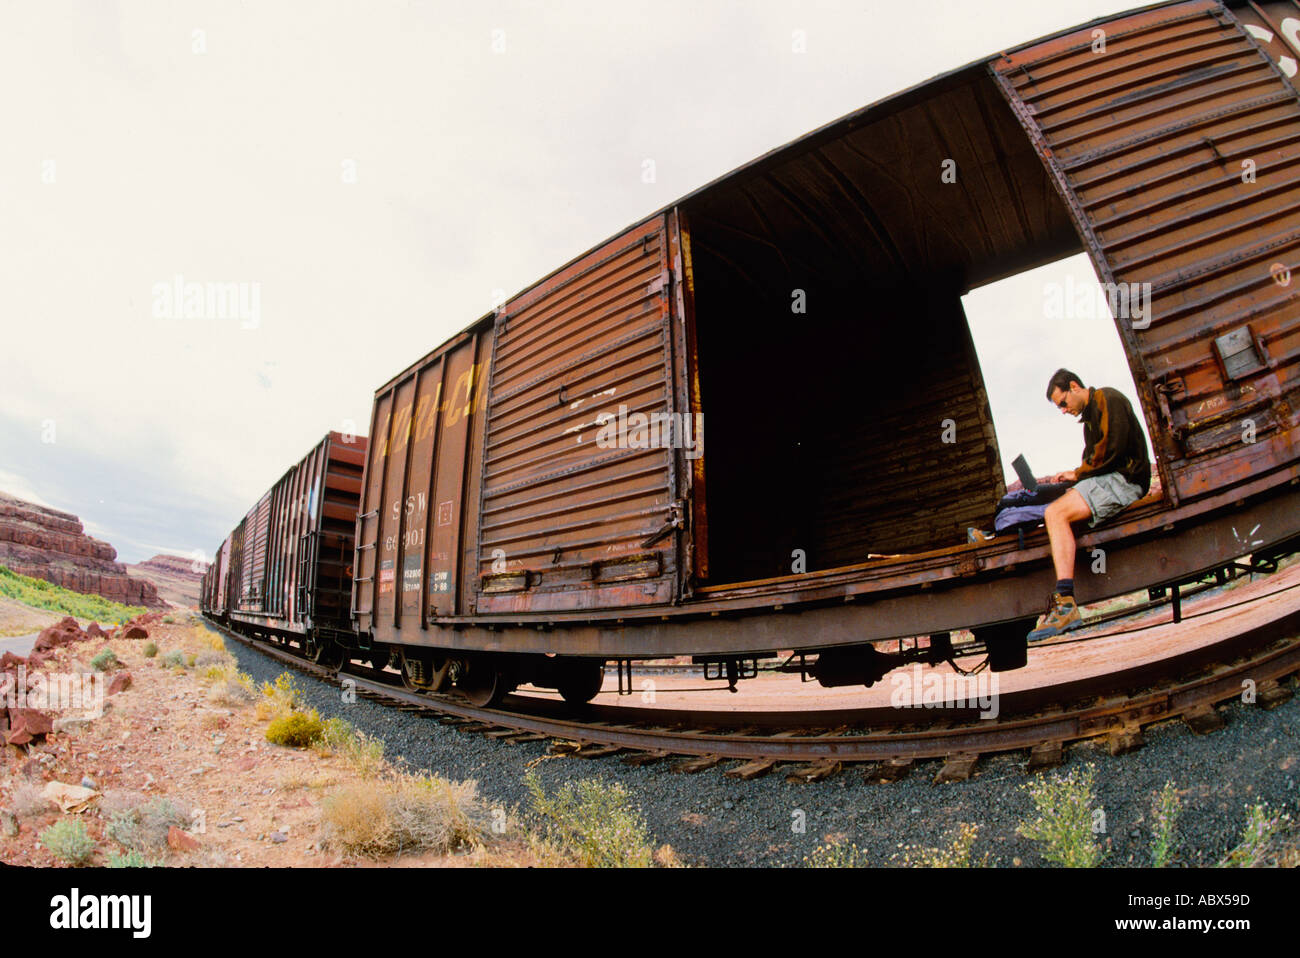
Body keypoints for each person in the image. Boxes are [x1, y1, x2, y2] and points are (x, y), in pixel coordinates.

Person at [1027, 369, 1151, 642]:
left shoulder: (1107, 397)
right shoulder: (1089, 420)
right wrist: (1073, 478)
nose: (1063, 410)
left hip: (1126, 480)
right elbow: (1093, 460)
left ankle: (1067, 604)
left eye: (1062, 402)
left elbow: (1111, 451)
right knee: (1053, 504)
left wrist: (1077, 474)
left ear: (1074, 386)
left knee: (1055, 513)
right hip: (1113, 478)